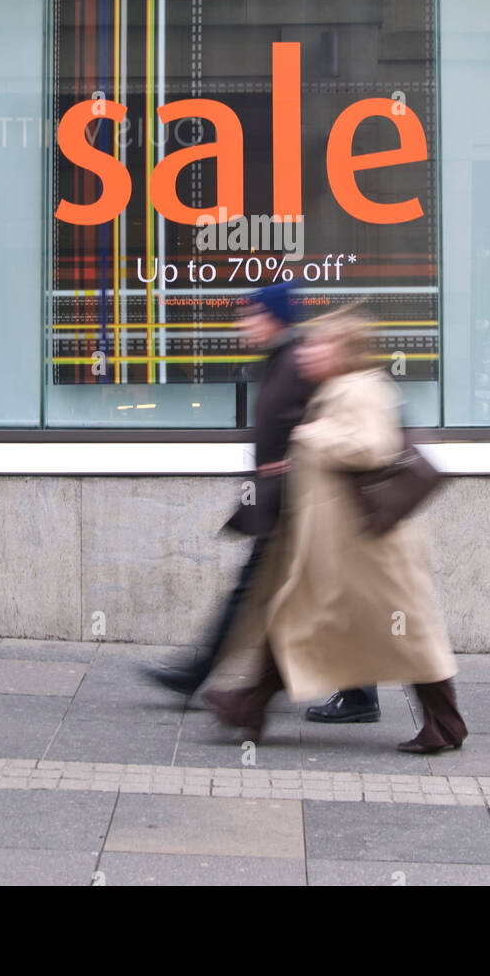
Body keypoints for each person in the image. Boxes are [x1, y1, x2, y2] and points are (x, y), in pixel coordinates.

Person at [203, 307, 468, 753]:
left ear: (343, 351)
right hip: (340, 549)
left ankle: (446, 725)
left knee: (410, 638)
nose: (308, 352)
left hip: (369, 551)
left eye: (320, 345)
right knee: (298, 622)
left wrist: (314, 436)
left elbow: (371, 447)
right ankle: (248, 705)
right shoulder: (338, 388)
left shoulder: (360, 388)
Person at [143, 278, 313, 699]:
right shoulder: (282, 359)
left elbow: (322, 423)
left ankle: (197, 675)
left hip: (291, 506)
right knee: (293, 597)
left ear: (274, 317)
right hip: (280, 504)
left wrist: (292, 461)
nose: (244, 324)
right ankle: (349, 690)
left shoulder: (296, 363)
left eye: (251, 315)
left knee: (257, 595)